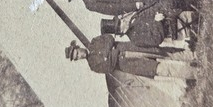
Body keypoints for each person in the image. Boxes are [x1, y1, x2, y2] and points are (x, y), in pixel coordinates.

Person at [65, 36, 200, 80]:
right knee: (161, 69)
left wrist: (111, 53)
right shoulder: (93, 66)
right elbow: (109, 66)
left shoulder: (95, 41)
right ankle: (195, 73)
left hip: (132, 48)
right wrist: (112, 51)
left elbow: (110, 38)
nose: (80, 55)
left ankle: (193, 56)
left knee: (162, 52)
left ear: (78, 47)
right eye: (77, 57)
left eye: (77, 53)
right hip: (130, 64)